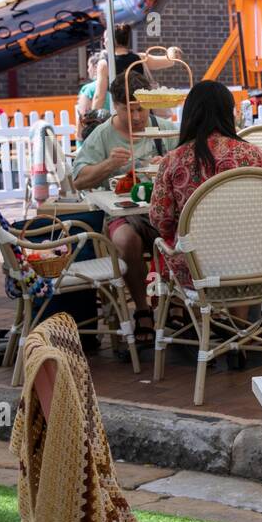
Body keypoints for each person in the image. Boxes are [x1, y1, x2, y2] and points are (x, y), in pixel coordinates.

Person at [71, 71, 176, 344]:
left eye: (141, 109)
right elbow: (79, 179)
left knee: (186, 235)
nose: (138, 117)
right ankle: (142, 309)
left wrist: (166, 163)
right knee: (126, 240)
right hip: (124, 217)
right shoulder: (103, 135)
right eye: (129, 110)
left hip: (163, 214)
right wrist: (108, 164)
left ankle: (176, 305)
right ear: (114, 107)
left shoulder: (162, 129)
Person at [150, 81, 262, 286]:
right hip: (250, 261)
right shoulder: (253, 155)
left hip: (195, 266)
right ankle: (239, 315)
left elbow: (160, 220)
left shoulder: (173, 160)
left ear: (189, 114)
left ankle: (200, 315)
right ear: (229, 112)